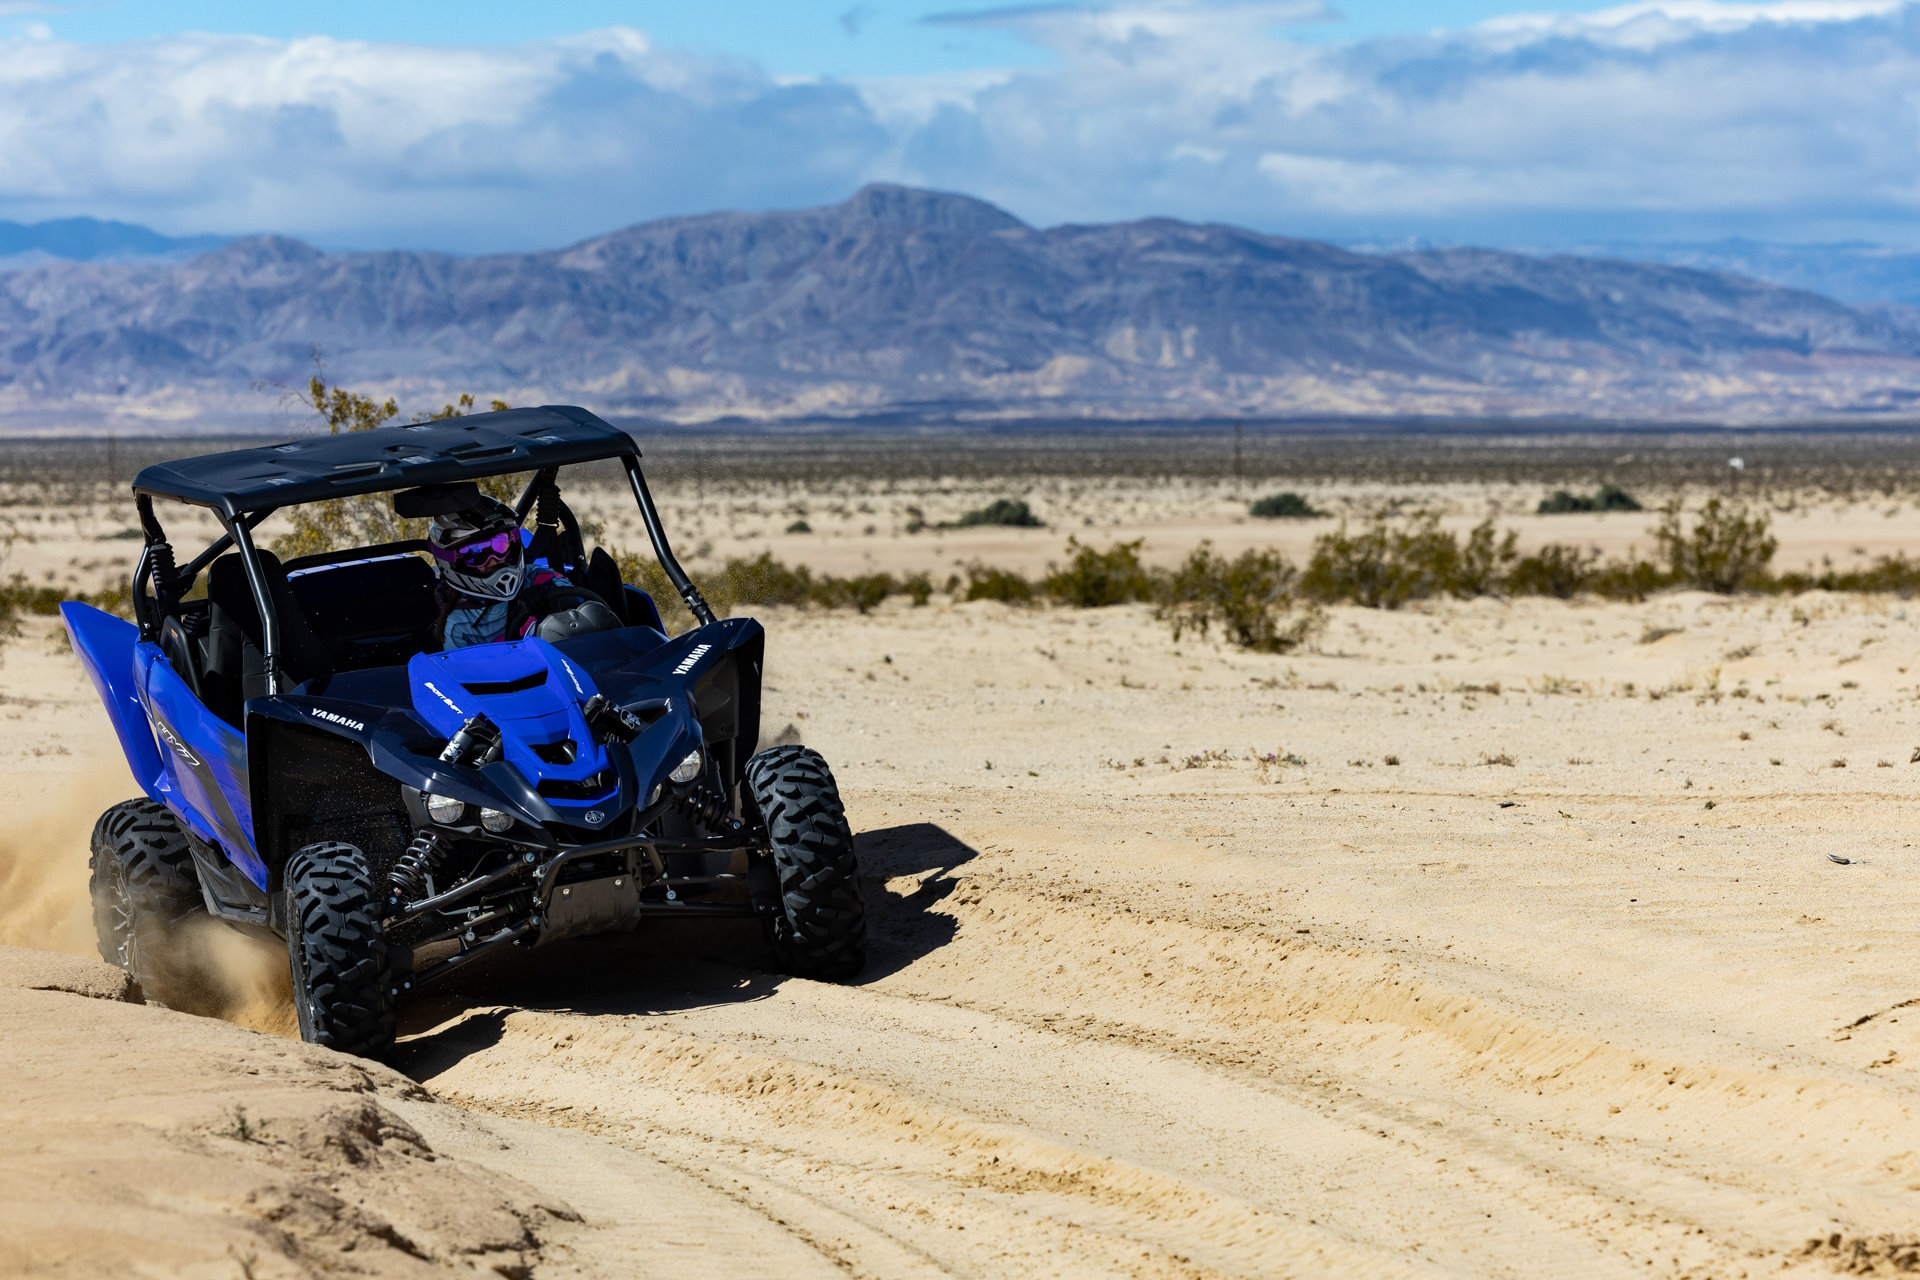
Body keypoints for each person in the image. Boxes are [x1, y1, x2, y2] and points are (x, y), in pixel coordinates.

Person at [426, 494, 619, 649]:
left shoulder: (534, 576)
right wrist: (518, 622)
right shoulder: (458, 627)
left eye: (500, 545)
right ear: (451, 561)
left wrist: (552, 604)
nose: (493, 559)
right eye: (476, 553)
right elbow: (479, 682)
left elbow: (574, 601)